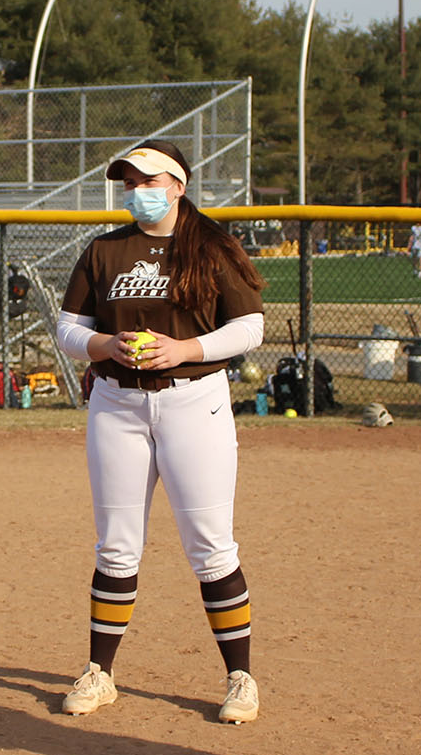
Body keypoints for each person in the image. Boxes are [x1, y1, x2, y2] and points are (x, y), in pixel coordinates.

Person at [52, 140, 267, 723]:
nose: (136, 192)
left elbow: (249, 326)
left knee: (211, 545)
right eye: (128, 183)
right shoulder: (105, 250)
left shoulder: (212, 246)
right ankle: (101, 674)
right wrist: (102, 344)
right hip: (117, 406)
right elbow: (67, 329)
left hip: (194, 403)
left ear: (177, 185)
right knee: (116, 546)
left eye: (148, 181)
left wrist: (185, 349)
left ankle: (240, 678)